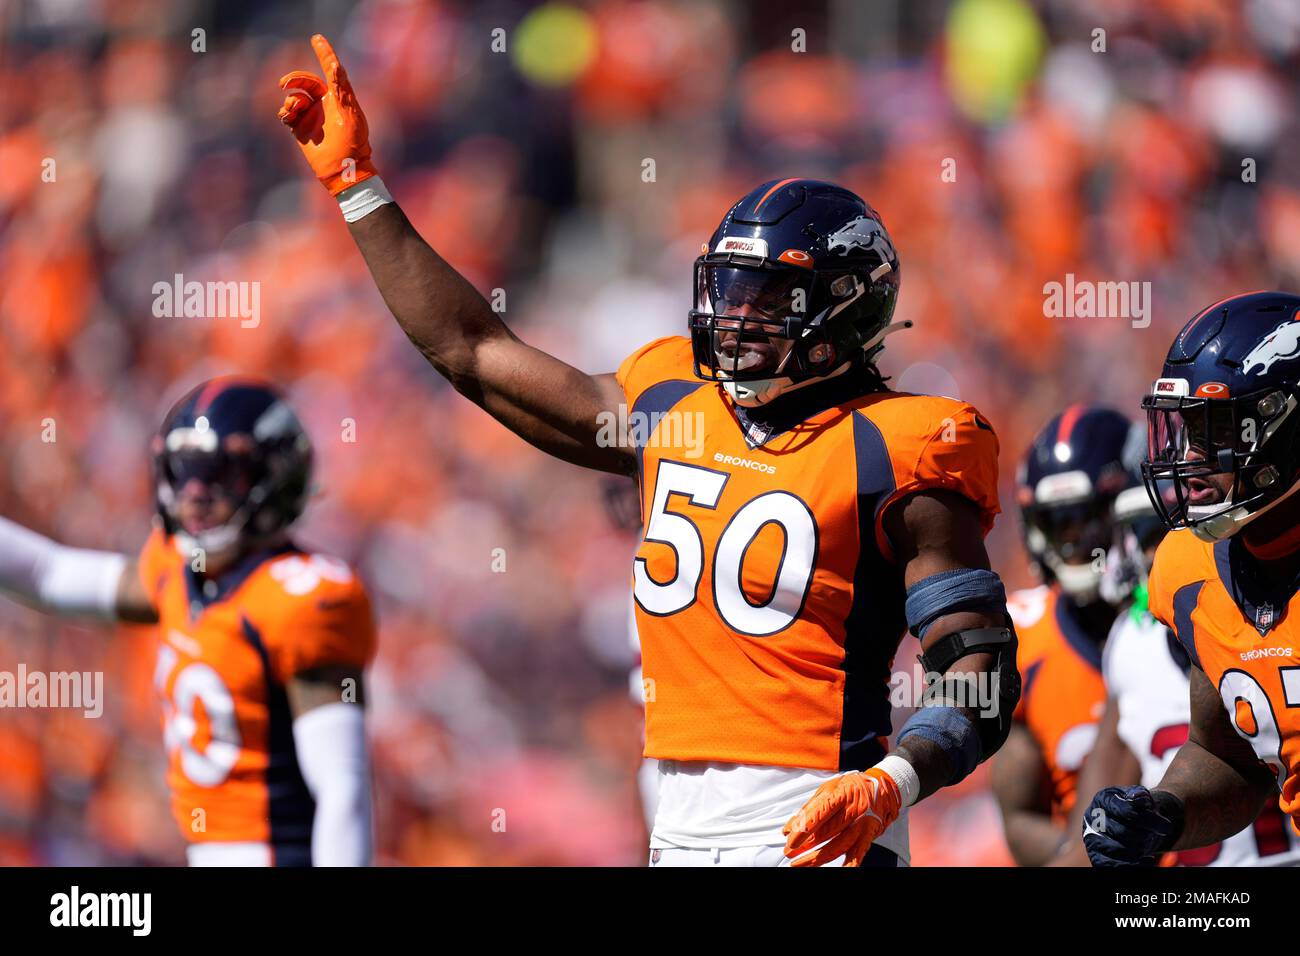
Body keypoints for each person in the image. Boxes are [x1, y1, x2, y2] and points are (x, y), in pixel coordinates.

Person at [278, 35, 1018, 867]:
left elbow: (980, 672)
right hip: (679, 830)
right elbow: (472, 351)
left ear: (846, 309)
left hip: (822, 824)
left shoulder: (906, 445)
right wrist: (357, 189)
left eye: (771, 299)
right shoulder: (669, 404)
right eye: (730, 292)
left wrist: (894, 782)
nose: (737, 320)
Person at [0, 377, 376, 866]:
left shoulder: (301, 600)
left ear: (274, 474)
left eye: (220, 471)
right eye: (185, 470)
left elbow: (343, 786)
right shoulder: (177, 573)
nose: (196, 491)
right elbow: (50, 574)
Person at [1083, 291, 1300, 866]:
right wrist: (1166, 813)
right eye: (1187, 431)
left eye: (1220, 429)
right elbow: (1229, 758)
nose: (1192, 458)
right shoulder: (1188, 569)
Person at [992, 406, 1131, 865]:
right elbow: (1019, 816)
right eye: (1058, 522)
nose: (1073, 541)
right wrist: (1089, 858)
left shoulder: (1184, 611)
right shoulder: (1024, 639)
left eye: (1086, 517)